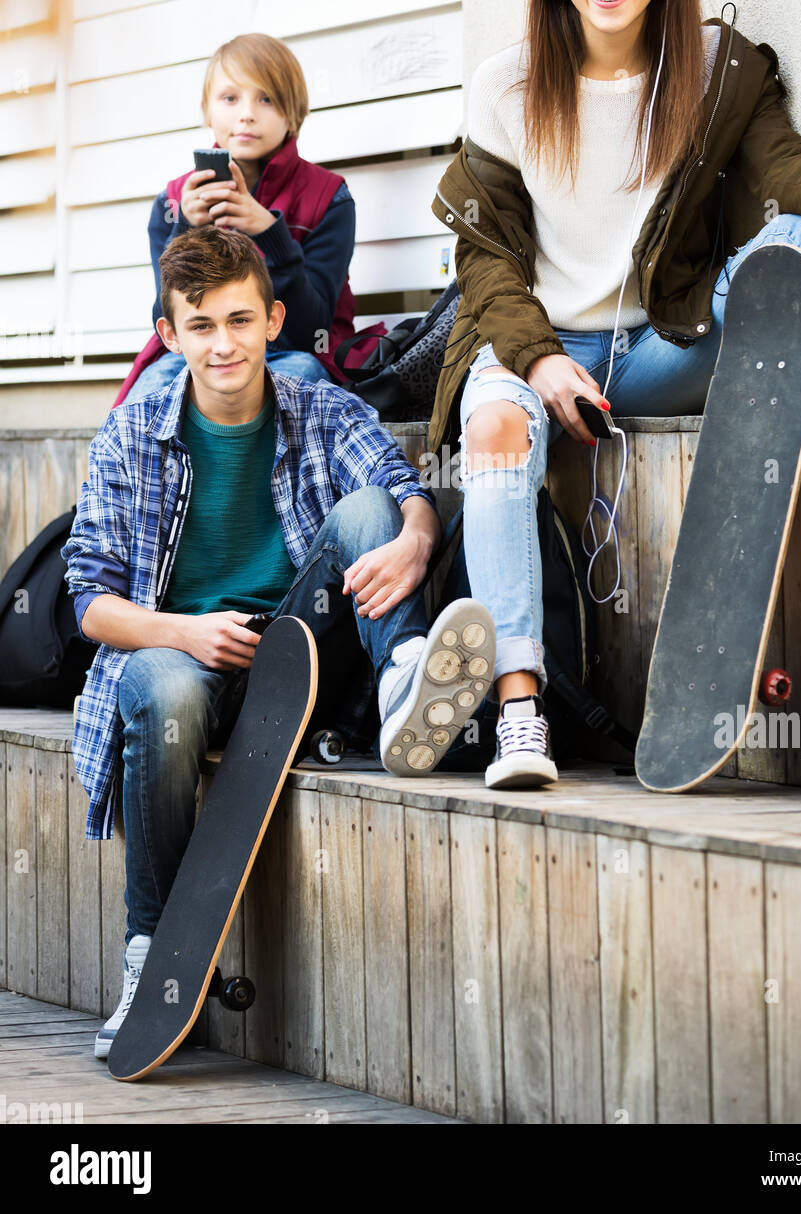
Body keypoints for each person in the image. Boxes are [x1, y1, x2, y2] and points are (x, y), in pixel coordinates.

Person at [427, 0, 801, 789]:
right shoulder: (504, 86)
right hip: (537, 349)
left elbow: (781, 164)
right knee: (496, 427)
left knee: (790, 237)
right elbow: (487, 260)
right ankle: (519, 710)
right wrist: (540, 363)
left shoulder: (714, 66)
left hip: (661, 344)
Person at [62, 224, 495, 1058]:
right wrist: (185, 630)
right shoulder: (131, 432)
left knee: (372, 510)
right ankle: (151, 953)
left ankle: (408, 680)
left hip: (302, 655)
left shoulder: (318, 404)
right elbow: (90, 601)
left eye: (238, 320)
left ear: (272, 320)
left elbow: (405, 491)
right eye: (201, 326)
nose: (222, 345)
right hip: (184, 654)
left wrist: (414, 534)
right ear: (169, 335)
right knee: (154, 684)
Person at [120, 32, 373, 402]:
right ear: (207, 109)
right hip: (198, 355)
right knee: (149, 396)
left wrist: (271, 233)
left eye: (267, 99)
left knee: (296, 382)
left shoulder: (329, 198)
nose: (247, 114)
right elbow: (168, 320)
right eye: (230, 98)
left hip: (289, 353)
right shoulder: (173, 202)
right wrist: (187, 231)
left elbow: (311, 328)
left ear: (294, 113)